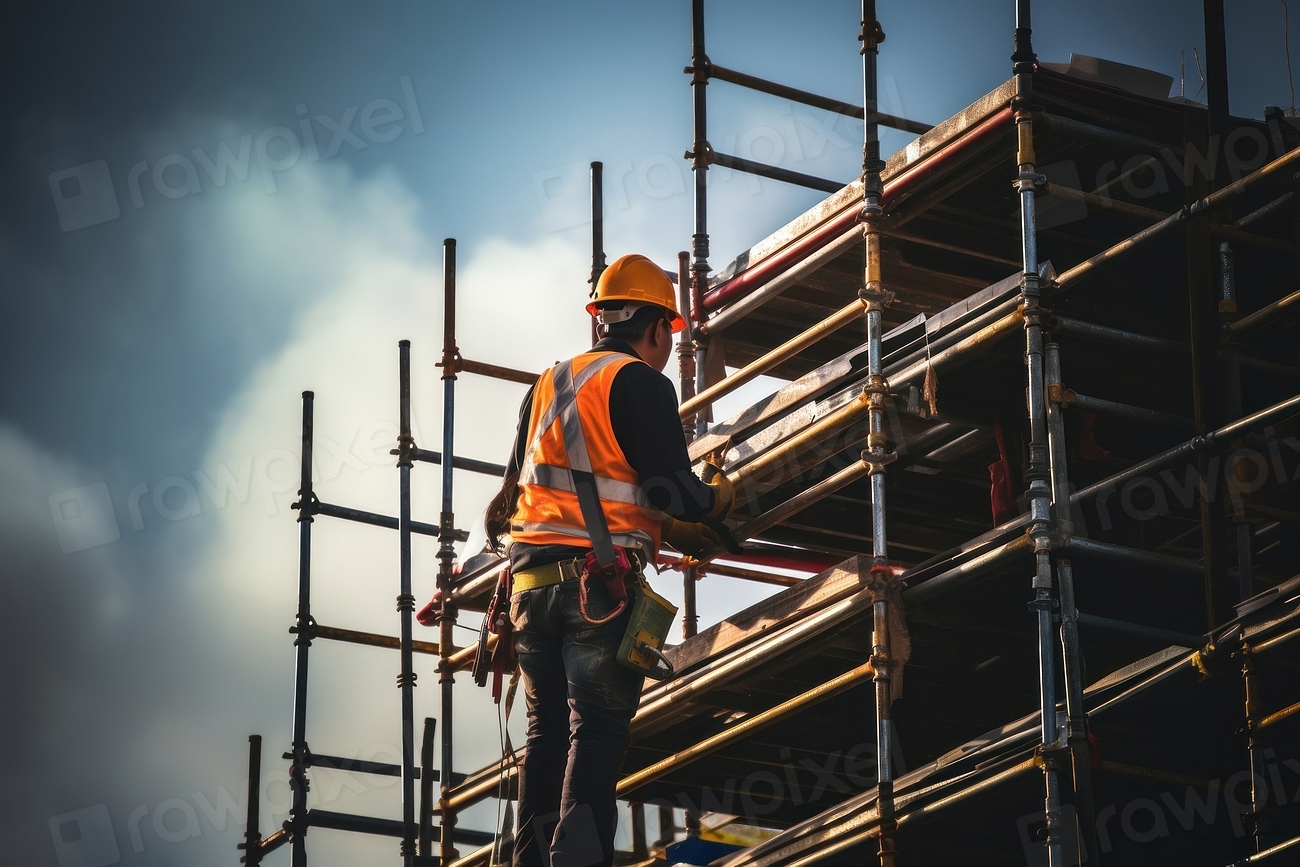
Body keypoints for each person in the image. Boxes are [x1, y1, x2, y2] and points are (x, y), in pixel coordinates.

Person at [487, 253, 733, 867]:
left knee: (545, 738)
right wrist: (712, 499)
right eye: (668, 339)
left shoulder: (546, 383)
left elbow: (515, 495)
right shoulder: (643, 383)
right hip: (594, 592)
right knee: (594, 732)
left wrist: (657, 518)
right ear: (656, 329)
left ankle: (533, 860)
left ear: (602, 319)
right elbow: (671, 490)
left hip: (528, 586)